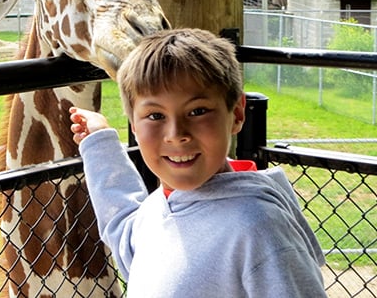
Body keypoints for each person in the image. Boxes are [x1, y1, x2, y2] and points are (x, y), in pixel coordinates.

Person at [69, 28, 326, 297]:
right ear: (133, 124)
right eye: (155, 116)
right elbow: (124, 230)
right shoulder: (158, 209)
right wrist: (99, 143)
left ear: (237, 114)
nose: (176, 134)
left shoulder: (258, 229)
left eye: (198, 111)